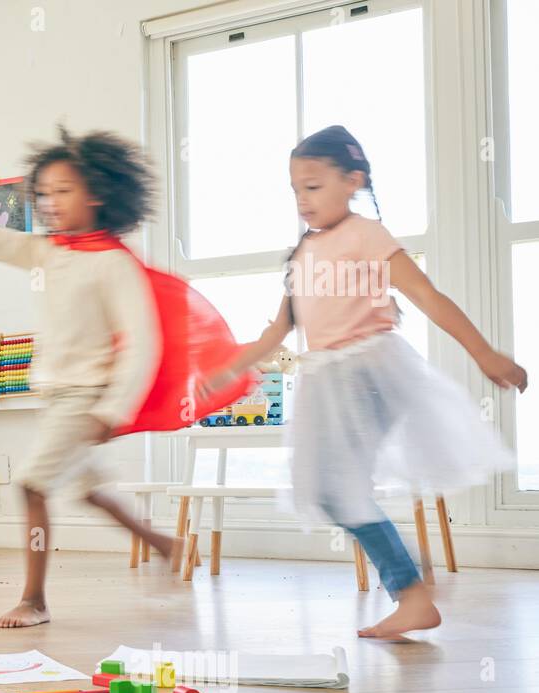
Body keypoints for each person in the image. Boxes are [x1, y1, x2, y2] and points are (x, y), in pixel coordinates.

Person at [201, 126, 526, 638]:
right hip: (326, 378)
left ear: (353, 180)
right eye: (294, 189)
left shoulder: (366, 235)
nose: (302, 200)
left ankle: (411, 591)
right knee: (327, 492)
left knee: (338, 487)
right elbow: (277, 332)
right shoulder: (303, 251)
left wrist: (484, 353)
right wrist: (223, 372)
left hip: (369, 371)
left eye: (313, 186)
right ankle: (412, 590)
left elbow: (429, 297)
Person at [0, 127, 177, 629]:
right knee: (86, 489)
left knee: (31, 486)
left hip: (86, 400)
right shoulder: (49, 252)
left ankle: (34, 600)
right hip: (57, 397)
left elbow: (144, 342)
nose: (52, 201)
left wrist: (114, 409)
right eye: (44, 193)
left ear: (99, 193)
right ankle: (165, 543)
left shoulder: (114, 264)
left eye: (65, 190)